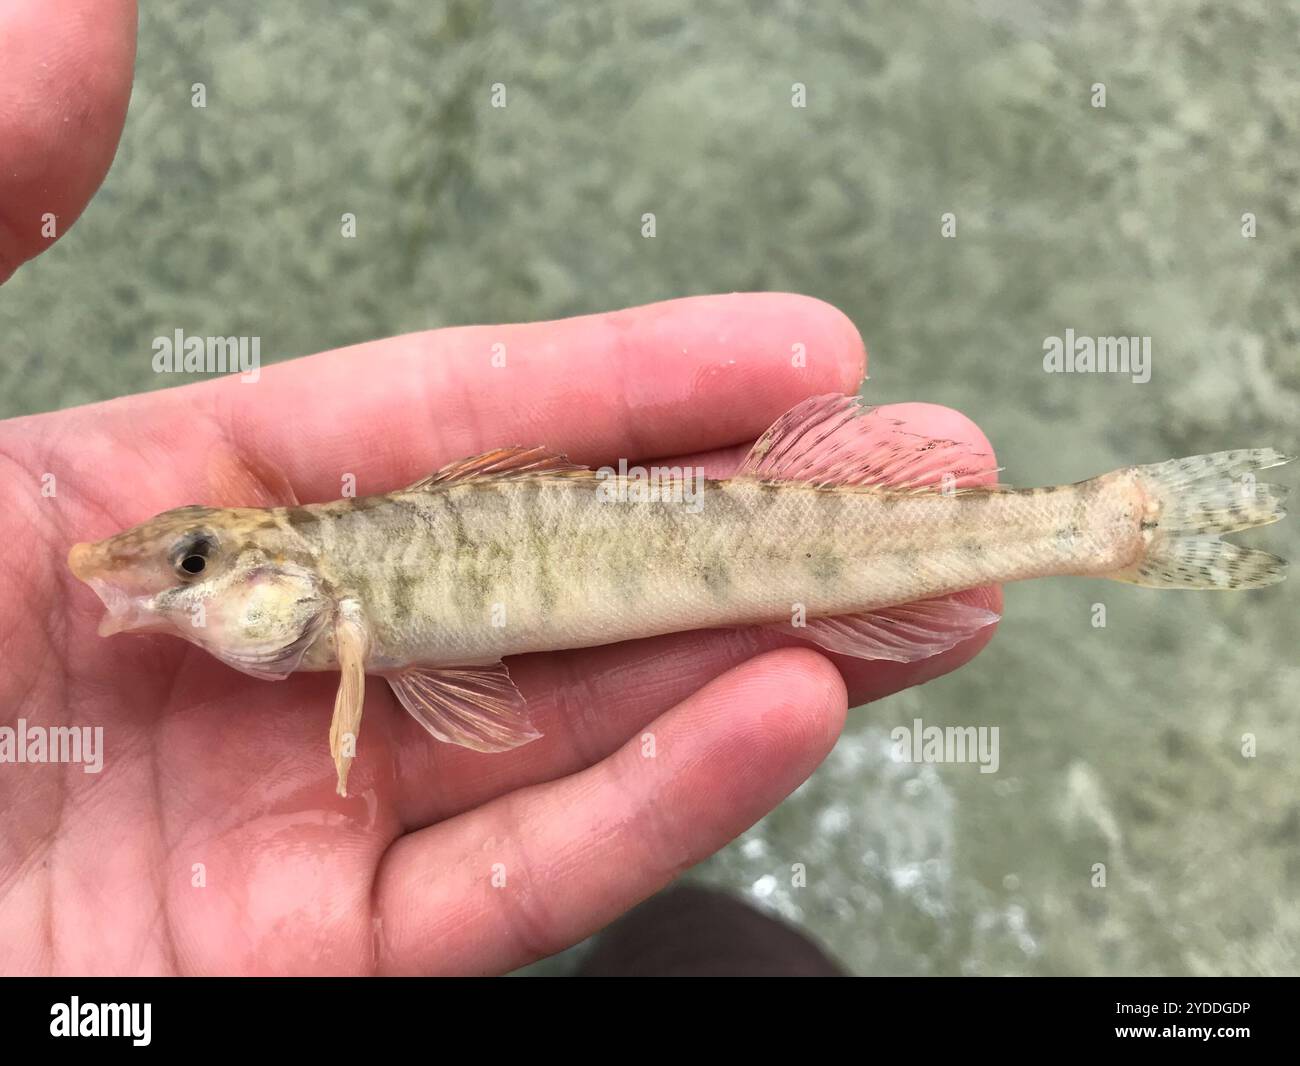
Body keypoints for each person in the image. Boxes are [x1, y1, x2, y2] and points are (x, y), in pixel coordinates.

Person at [0, 0, 999, 975]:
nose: (172, 584)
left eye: (192, 562)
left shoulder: (345, 618)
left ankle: (1088, 530)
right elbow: (444, 691)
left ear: (280, 567)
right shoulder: (342, 626)